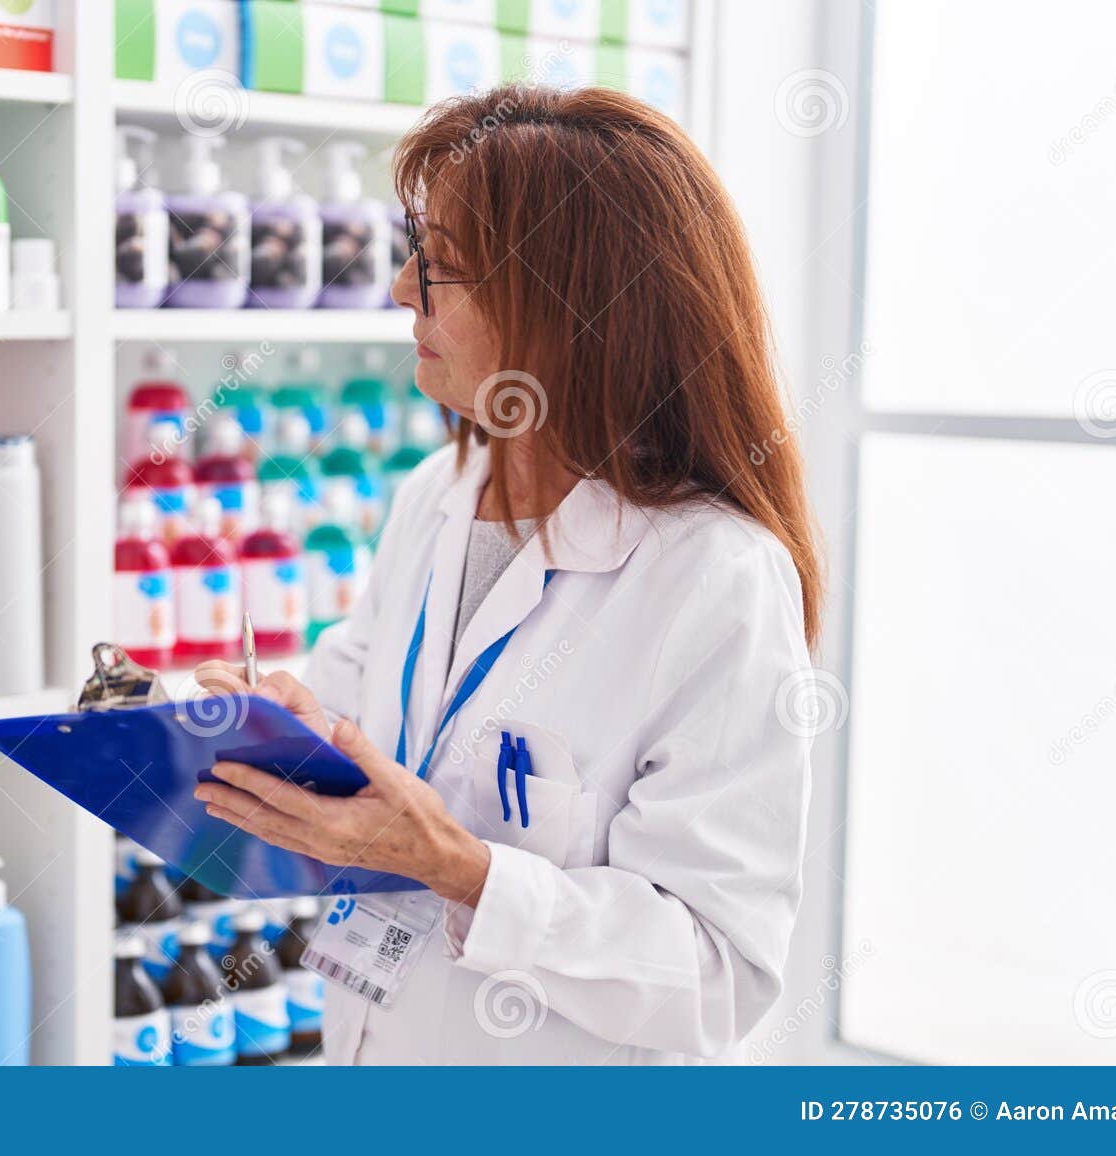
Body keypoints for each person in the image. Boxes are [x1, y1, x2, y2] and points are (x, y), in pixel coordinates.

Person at [192, 85, 820, 1064]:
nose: (402, 289)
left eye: (438, 267)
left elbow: (715, 973)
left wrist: (462, 871)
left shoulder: (715, 577)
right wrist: (275, 729)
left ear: (561, 313)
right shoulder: (433, 495)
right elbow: (363, 716)